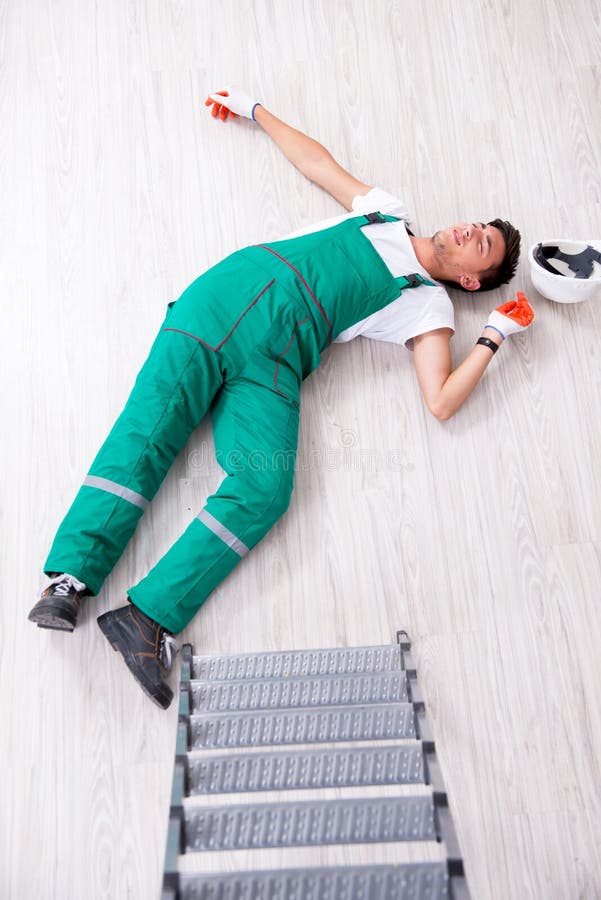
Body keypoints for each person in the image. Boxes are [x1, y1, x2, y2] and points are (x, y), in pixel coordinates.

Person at [28, 87, 535, 709]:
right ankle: (68, 580)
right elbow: (318, 164)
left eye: (481, 244)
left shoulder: (430, 307)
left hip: (275, 361)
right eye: (477, 225)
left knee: (266, 488)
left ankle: (146, 618)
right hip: (224, 296)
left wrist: (493, 335)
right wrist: (256, 110)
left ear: (470, 280)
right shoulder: (387, 213)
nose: (469, 229)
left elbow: (442, 400)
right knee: (149, 432)